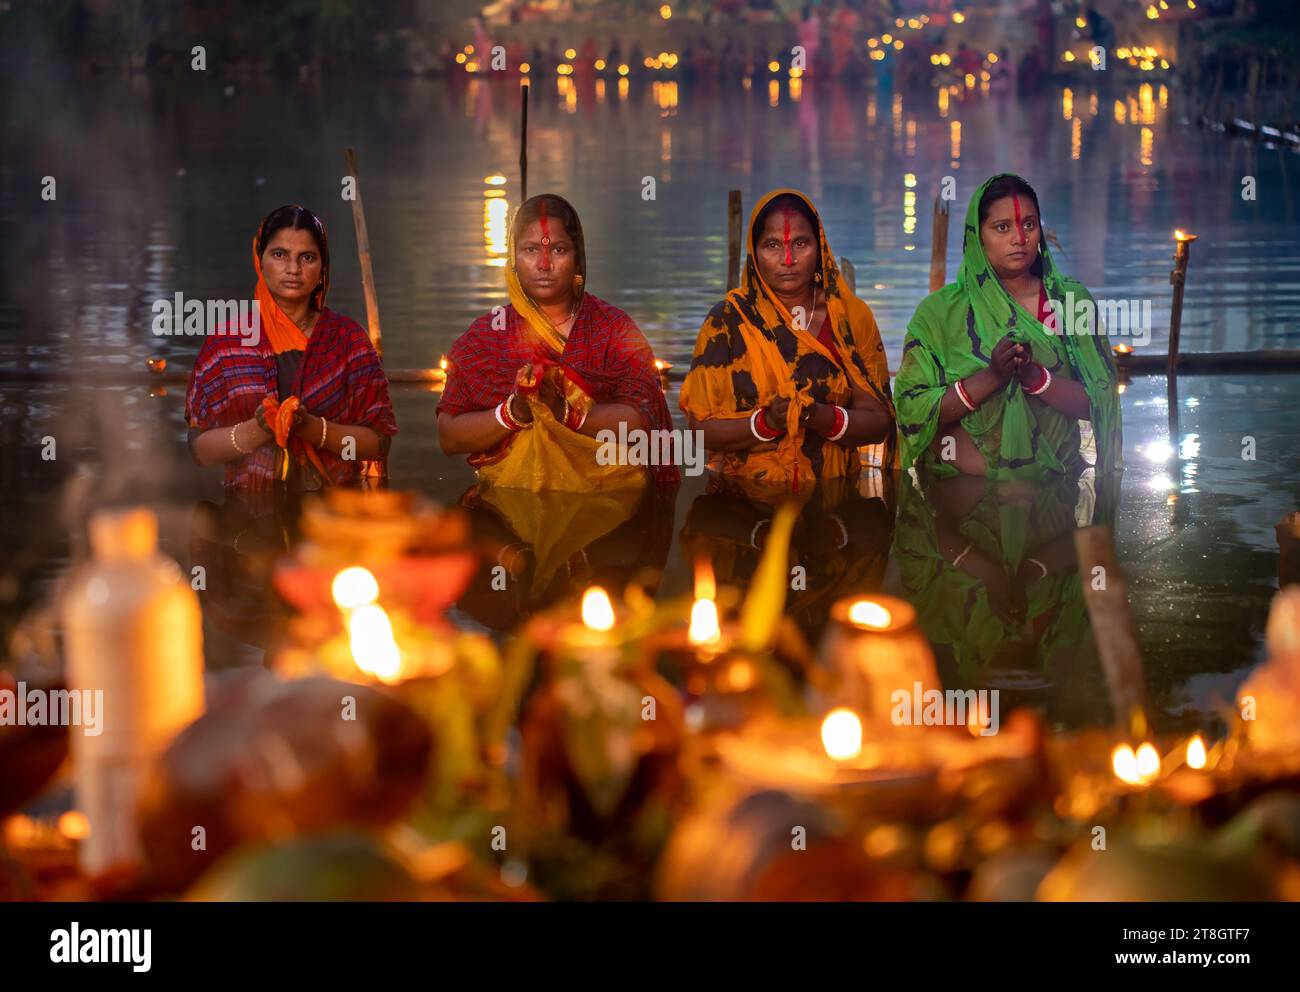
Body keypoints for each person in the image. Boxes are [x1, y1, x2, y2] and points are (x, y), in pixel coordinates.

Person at [437, 193, 678, 491]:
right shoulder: (487, 334)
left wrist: (565, 412)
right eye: (530, 249)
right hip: (510, 503)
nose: (544, 263)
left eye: (559, 249)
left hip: (608, 502)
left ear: (578, 259)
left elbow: (644, 422)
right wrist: (515, 412)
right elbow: (449, 436)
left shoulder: (614, 329)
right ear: (513, 259)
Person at [895, 174, 1121, 480]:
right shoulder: (939, 314)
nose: (1019, 238)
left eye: (1029, 225)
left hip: (1055, 488)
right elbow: (912, 410)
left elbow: (1101, 402)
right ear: (977, 236)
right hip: (963, 491)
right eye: (1002, 228)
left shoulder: (1069, 302)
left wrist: (1035, 378)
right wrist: (992, 377)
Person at [680, 189, 895, 493]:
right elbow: (699, 432)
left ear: (819, 247)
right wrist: (767, 422)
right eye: (772, 245)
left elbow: (877, 422)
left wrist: (818, 415)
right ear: (755, 253)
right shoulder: (727, 321)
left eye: (800, 243)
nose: (788, 259)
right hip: (743, 499)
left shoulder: (850, 318)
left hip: (832, 496)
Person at [185, 204, 397, 492]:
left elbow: (378, 444)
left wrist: (311, 428)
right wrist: (258, 430)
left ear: (323, 266)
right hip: (249, 519)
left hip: (335, 513)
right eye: (279, 255)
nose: (293, 269)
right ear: (259, 260)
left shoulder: (349, 340)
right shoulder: (227, 344)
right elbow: (200, 451)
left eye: (307, 257)